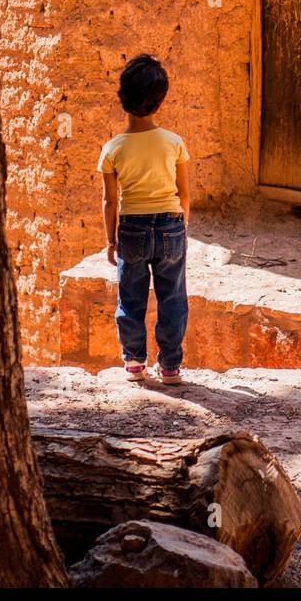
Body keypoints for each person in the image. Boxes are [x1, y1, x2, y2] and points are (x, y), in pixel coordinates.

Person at [97, 54, 190, 384]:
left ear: (122, 98)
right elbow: (184, 194)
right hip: (171, 225)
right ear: (161, 100)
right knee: (173, 296)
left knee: (131, 297)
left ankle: (135, 362)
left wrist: (111, 240)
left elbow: (110, 201)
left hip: (132, 228)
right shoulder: (174, 143)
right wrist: (181, 226)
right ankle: (171, 367)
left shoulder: (112, 149)